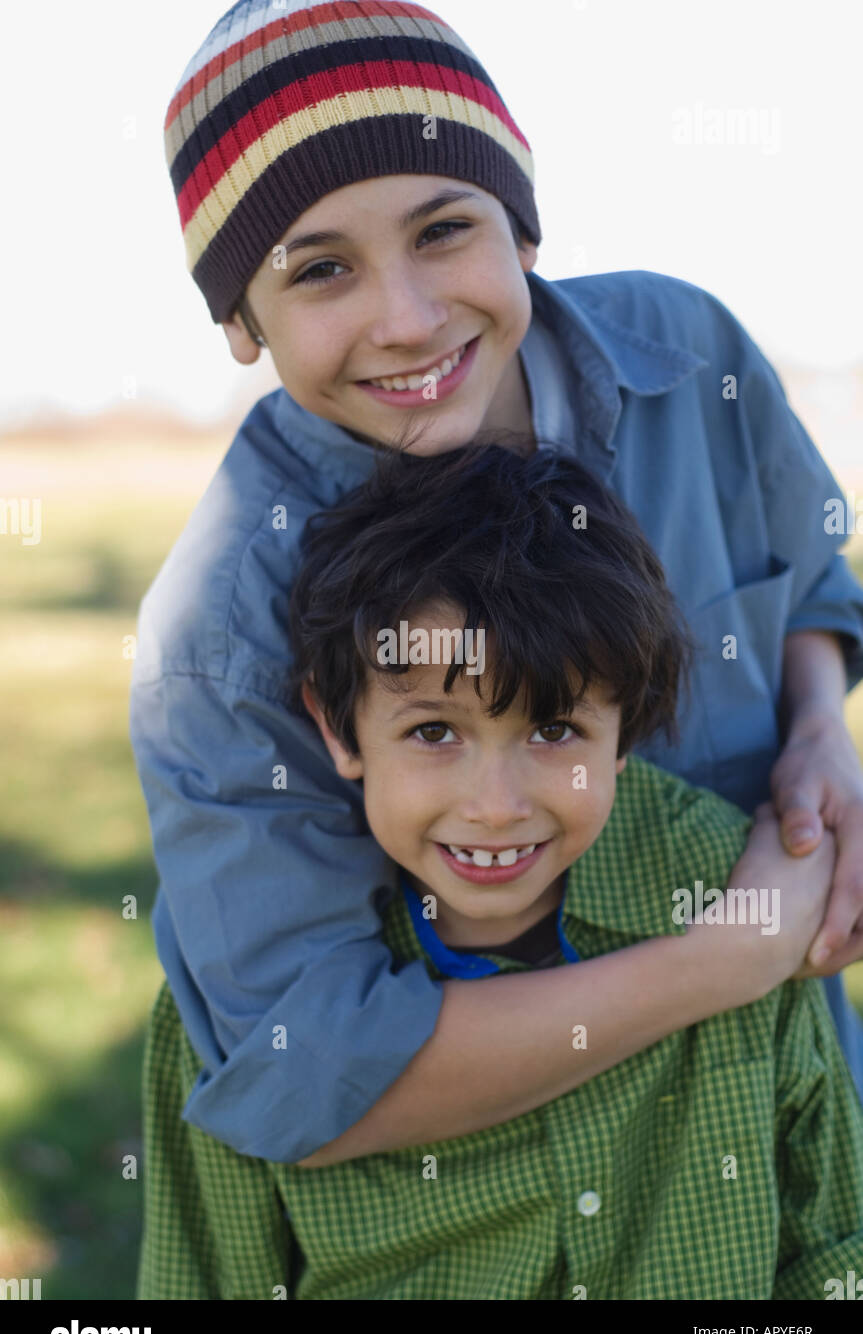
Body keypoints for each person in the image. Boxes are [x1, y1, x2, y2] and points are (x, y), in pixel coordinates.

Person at [130, 0, 863, 1170]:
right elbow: (302, 1068)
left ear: (520, 225)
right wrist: (729, 954)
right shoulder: (218, 632)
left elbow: (807, 577)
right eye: (319, 269)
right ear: (238, 322)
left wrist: (819, 732)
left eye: (441, 230)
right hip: (510, 1209)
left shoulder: (691, 351)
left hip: (798, 1122)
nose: (407, 320)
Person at [137, 444, 863, 1300]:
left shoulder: (738, 891)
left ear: (623, 731)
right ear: (337, 728)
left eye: (553, 730)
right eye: (433, 733)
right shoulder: (249, 991)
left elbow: (830, 1258)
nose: (494, 806)